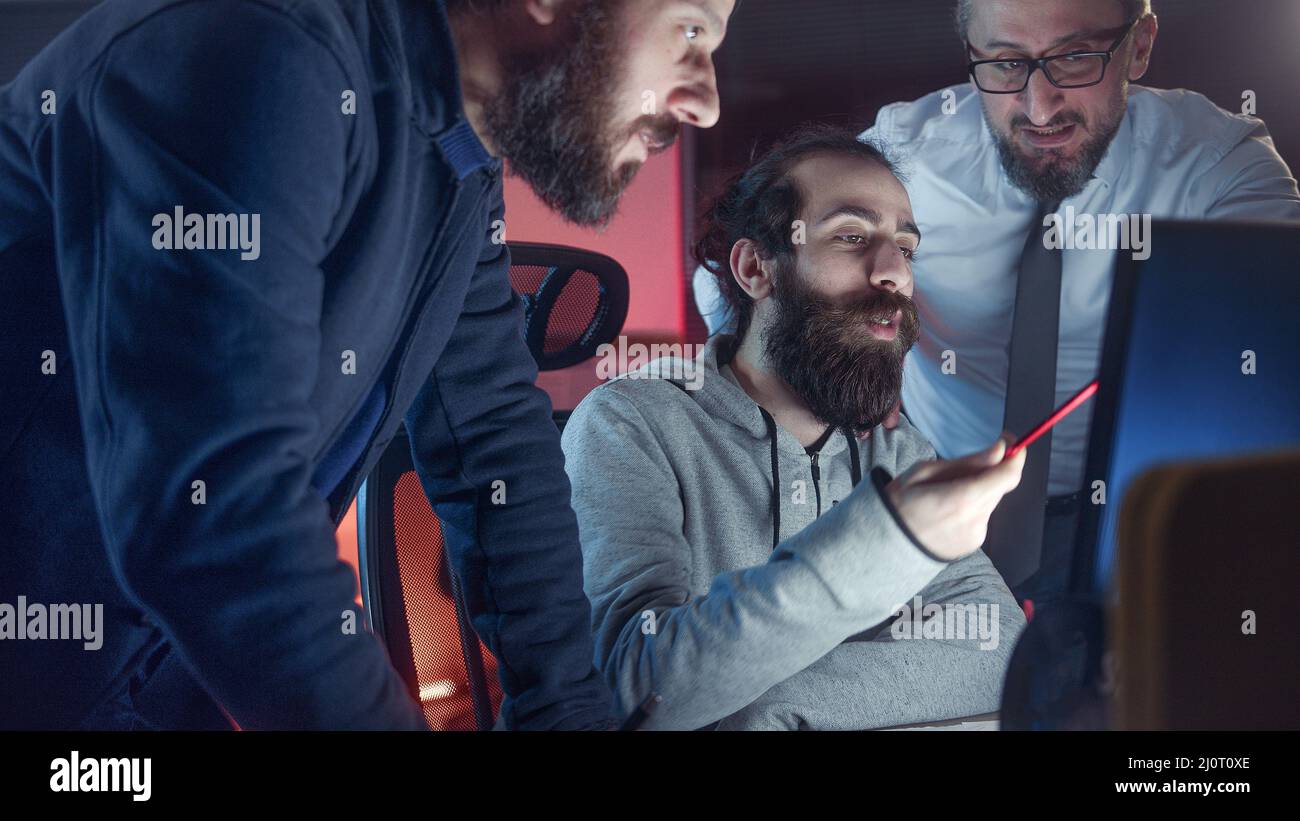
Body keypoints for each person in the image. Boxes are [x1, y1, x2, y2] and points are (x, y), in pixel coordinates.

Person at [0, 0, 733, 730]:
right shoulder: (271, 47)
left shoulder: (452, 162)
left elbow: (496, 449)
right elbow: (216, 509)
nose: (706, 101)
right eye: (691, 30)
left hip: (124, 680)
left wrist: (571, 714)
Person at [695, 0, 1300, 605]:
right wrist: (820, 400)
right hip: (929, 494)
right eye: (1006, 64)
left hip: (1134, 513)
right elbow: (733, 274)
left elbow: (1279, 327)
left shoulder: (1219, 162)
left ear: (1138, 47)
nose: (1040, 108)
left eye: (1076, 58)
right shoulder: (906, 156)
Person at [563, 126, 1027, 730]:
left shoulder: (898, 450)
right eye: (852, 236)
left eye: (906, 249)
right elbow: (636, 692)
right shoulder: (630, 423)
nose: (894, 274)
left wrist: (767, 707)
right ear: (757, 268)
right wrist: (885, 542)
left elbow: (1000, 647)